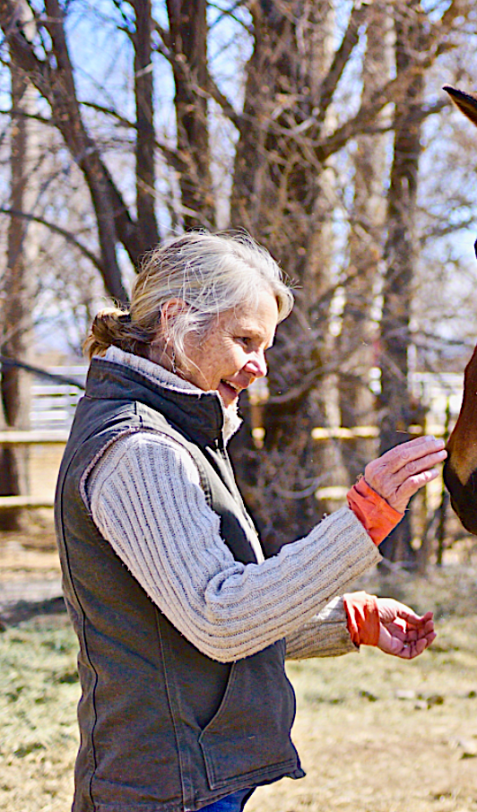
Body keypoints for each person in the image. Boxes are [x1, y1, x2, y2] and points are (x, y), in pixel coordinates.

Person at [54, 231, 446, 812]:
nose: (260, 367)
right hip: (166, 792)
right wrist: (364, 518)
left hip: (188, 783)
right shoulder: (141, 449)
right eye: (245, 341)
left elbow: (189, 625)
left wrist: (351, 621)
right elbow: (221, 618)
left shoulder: (179, 434)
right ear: (176, 319)